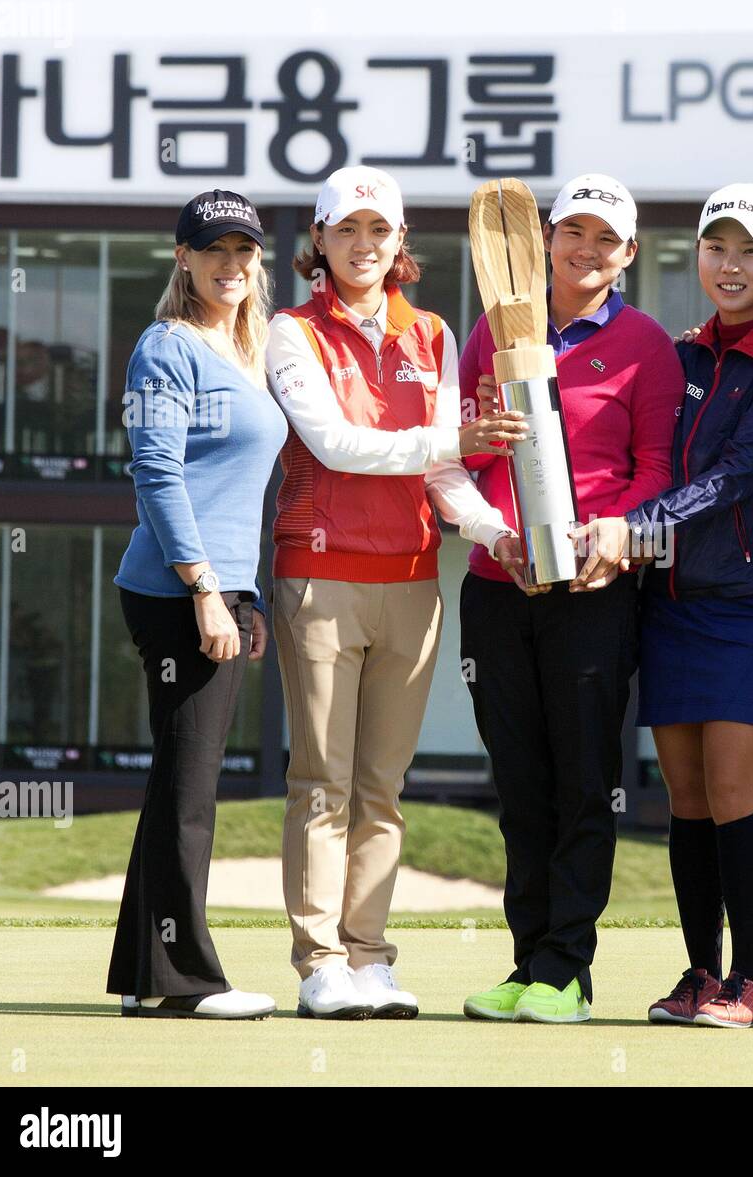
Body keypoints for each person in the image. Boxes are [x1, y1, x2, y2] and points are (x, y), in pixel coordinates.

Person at [265, 166, 527, 1020]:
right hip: (321, 575)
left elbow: (446, 470)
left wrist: (495, 532)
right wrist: (448, 434)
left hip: (412, 581)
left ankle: (370, 955)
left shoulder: (435, 334)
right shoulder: (291, 331)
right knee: (321, 780)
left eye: (380, 231)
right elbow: (337, 445)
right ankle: (320, 961)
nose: (364, 245)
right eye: (348, 230)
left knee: (383, 785)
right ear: (321, 240)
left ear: (400, 242)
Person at [575, 183, 753, 1029]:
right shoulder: (677, 357)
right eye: (718, 249)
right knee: (684, 795)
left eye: (750, 251)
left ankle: (748, 980)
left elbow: (733, 479)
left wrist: (629, 527)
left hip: (751, 603)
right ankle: (697, 972)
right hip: (670, 601)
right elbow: (647, 457)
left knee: (731, 787)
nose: (731, 265)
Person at [458, 174, 684, 1024]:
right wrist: (496, 528)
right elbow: (473, 460)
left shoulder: (645, 346)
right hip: (499, 585)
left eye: (606, 239)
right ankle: (526, 962)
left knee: (584, 781)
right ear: (547, 238)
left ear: (628, 253)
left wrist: (613, 539)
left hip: (594, 589)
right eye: (573, 232)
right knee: (520, 785)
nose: (586, 250)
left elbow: (657, 473)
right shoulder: (493, 330)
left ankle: (568, 970)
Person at [109, 190, 287, 1019]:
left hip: (218, 589)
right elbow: (157, 473)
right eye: (213, 249)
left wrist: (239, 596)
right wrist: (208, 591)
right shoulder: (166, 346)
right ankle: (185, 981)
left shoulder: (243, 347)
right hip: (179, 592)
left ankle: (147, 976)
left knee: (174, 782)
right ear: (182, 257)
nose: (230, 264)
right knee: (190, 790)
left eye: (243, 250)